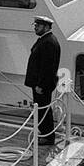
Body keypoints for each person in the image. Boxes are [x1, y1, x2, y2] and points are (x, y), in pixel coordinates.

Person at [24, 16, 61, 148]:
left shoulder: (49, 43)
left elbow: (48, 68)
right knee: (41, 109)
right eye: (35, 25)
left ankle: (48, 136)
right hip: (39, 83)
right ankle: (45, 133)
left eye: (38, 26)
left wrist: (41, 85)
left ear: (46, 27)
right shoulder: (45, 40)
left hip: (42, 85)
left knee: (43, 110)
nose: (35, 28)